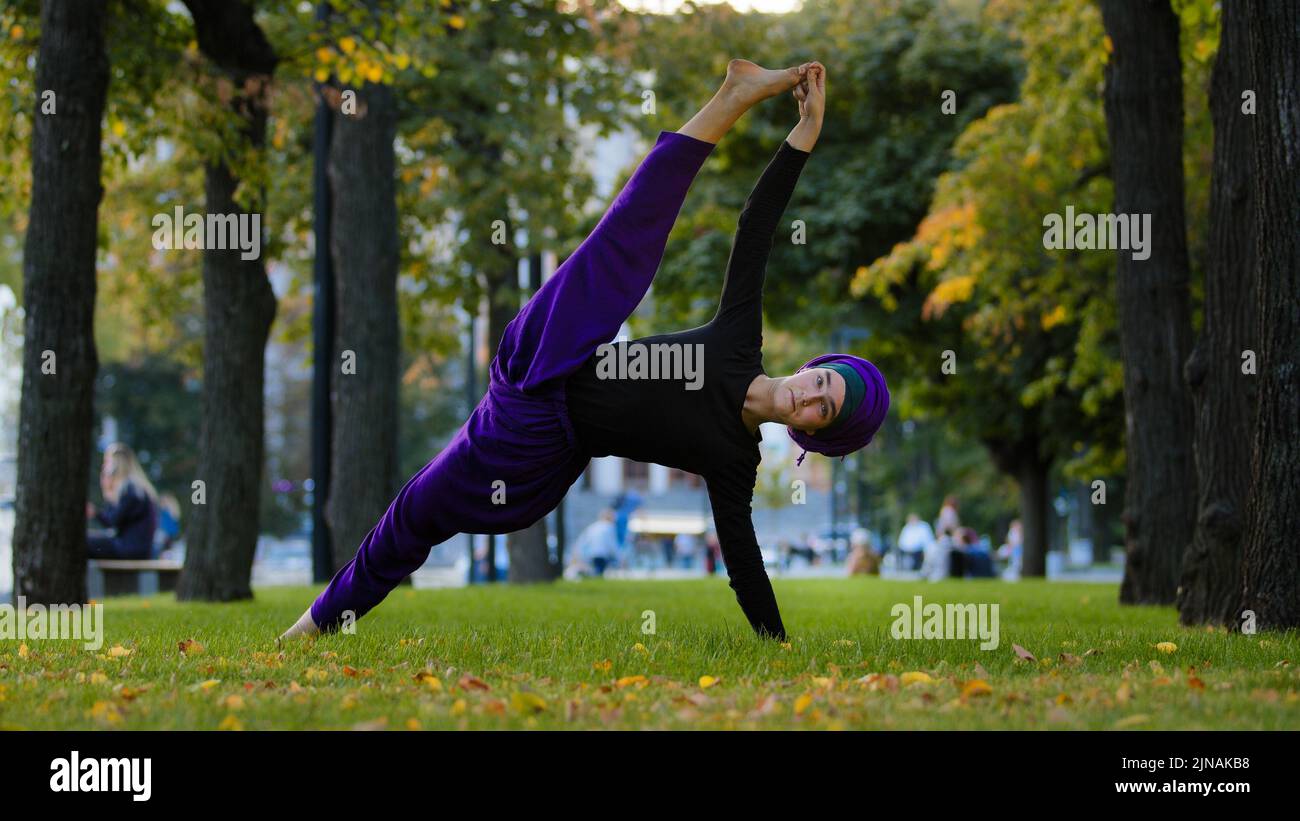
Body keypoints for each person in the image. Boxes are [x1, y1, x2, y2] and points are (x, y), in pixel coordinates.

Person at [280, 59, 889, 644]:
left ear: (815, 434)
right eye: (823, 382)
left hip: (541, 436)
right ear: (813, 367)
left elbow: (743, 560)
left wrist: (778, 646)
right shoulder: (738, 341)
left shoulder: (735, 461)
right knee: (625, 240)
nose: (809, 396)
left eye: (823, 409)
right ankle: (731, 97)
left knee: (420, 512)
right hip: (557, 349)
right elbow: (756, 224)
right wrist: (803, 134)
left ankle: (314, 625)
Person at [85, 442, 159, 560]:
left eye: (107, 462)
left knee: (83, 541)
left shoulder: (132, 489)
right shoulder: (134, 488)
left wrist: (97, 511)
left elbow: (113, 521)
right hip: (132, 547)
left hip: (131, 549)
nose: (104, 468)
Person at [571, 509, 619, 577]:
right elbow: (612, 543)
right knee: (599, 572)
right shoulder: (609, 527)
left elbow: (583, 541)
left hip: (592, 553)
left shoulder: (593, 526)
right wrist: (618, 556)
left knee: (596, 570)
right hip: (602, 554)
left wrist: (581, 554)